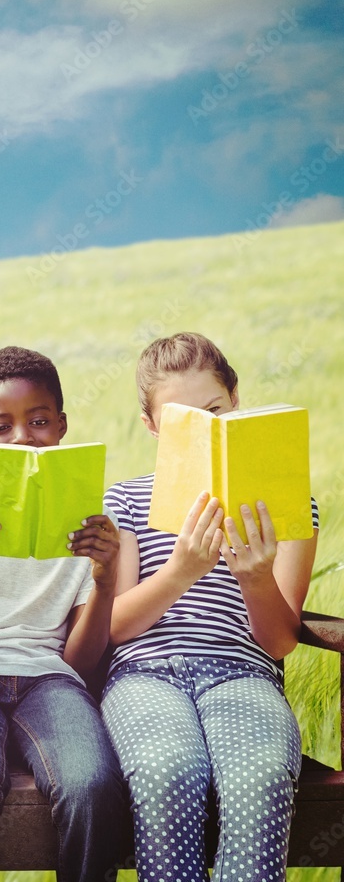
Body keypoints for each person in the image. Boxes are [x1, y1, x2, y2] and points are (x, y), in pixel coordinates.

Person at [102, 332, 319, 880]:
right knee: (166, 770)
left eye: (215, 410)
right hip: (145, 674)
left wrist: (256, 577)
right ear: (153, 426)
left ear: (236, 401)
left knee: (261, 775)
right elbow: (115, 627)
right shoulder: (125, 500)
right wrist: (182, 571)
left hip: (244, 671)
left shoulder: (292, 505)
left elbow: (278, 641)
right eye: (181, 419)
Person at [0, 345, 127, 882]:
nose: (22, 439)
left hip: (50, 679)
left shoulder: (92, 521)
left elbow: (78, 663)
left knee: (90, 783)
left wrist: (103, 581)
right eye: (1, 427)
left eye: (37, 422)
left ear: (61, 427)